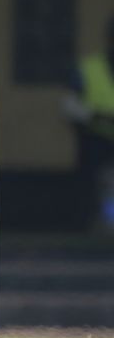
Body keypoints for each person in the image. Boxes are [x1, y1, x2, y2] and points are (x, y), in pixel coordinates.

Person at [63, 15, 114, 229]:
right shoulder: (89, 68)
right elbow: (69, 104)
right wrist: (95, 116)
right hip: (96, 139)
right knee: (93, 187)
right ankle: (94, 226)